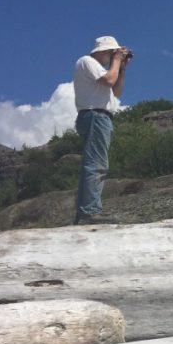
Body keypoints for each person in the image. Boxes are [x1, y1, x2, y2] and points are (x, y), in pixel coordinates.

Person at [73, 35, 131, 224]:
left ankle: (83, 212)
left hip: (99, 117)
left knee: (92, 163)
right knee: (96, 164)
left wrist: (121, 68)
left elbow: (116, 92)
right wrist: (116, 61)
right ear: (105, 51)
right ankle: (90, 212)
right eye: (113, 53)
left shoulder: (99, 68)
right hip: (95, 116)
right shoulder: (87, 61)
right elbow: (109, 80)